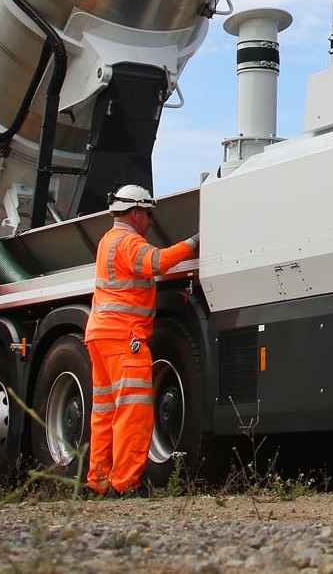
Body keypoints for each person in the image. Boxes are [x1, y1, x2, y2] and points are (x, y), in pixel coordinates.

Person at [85, 185, 198, 497]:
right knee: (133, 411)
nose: (150, 221)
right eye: (148, 214)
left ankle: (99, 482)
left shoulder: (108, 240)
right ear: (134, 213)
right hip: (125, 336)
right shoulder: (129, 241)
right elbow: (157, 262)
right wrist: (193, 243)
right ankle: (125, 484)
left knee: (105, 412)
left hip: (101, 335)